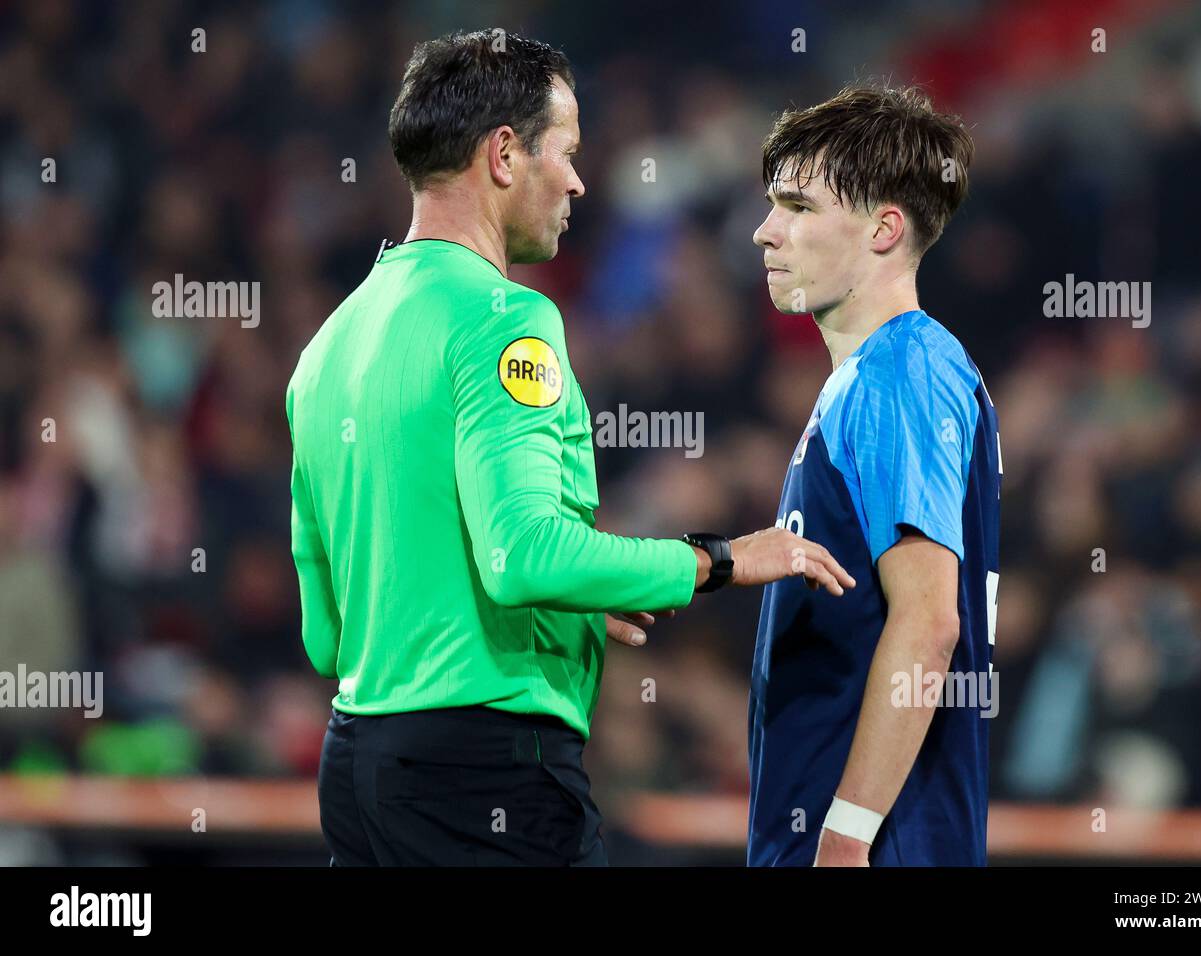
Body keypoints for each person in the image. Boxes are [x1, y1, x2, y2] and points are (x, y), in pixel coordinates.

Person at [285, 30, 854, 867]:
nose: (581, 180)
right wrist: (720, 559)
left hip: (358, 770)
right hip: (487, 781)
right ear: (505, 155)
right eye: (569, 150)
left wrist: (570, 597)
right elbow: (520, 554)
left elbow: (325, 637)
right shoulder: (505, 320)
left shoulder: (327, 348)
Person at [747, 82, 1001, 866]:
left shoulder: (902, 375)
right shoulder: (872, 382)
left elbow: (928, 623)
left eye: (797, 207)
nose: (765, 232)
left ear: (885, 228)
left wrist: (845, 840)